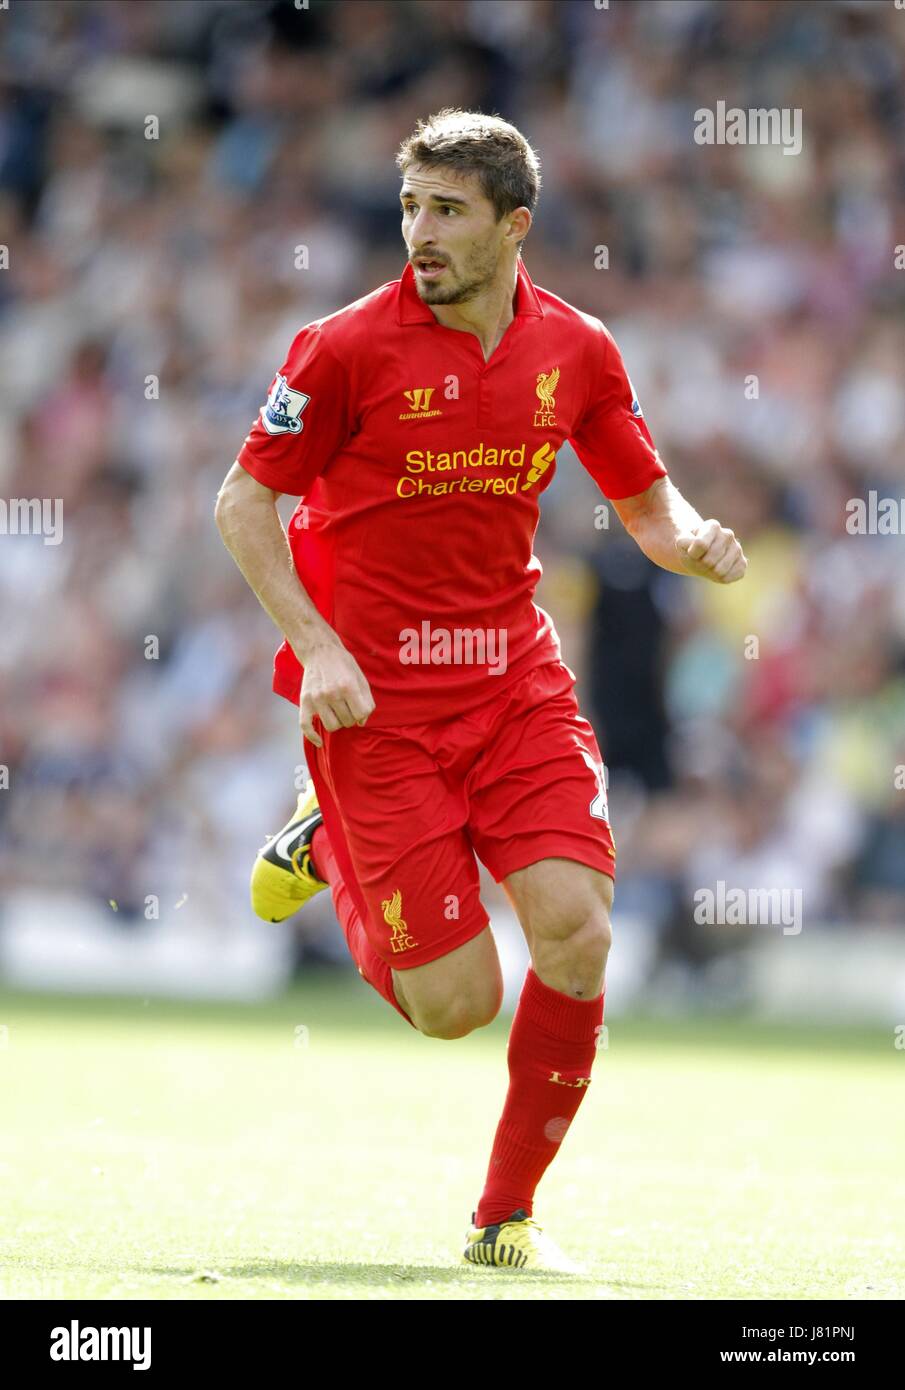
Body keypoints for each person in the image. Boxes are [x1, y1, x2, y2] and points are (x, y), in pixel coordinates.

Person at [215, 109, 747, 1273]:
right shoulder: (341, 347)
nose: (420, 232)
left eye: (446, 210)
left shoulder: (578, 351)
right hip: (374, 708)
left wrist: (693, 536)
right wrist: (321, 649)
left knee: (578, 934)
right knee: (456, 1004)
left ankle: (502, 1216)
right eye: (410, 208)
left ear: (514, 225)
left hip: (513, 683)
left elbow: (644, 503)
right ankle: (332, 843)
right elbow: (241, 504)